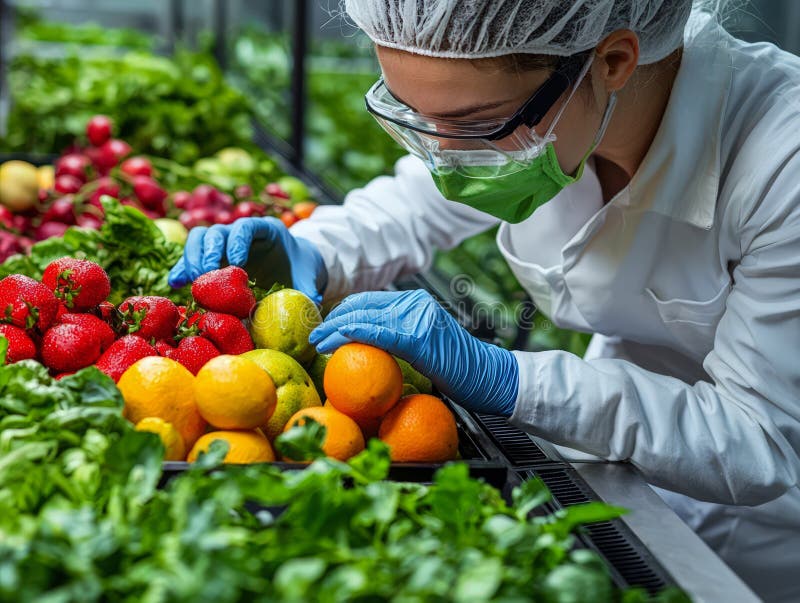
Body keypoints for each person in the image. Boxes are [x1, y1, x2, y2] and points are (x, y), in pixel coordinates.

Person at [169, 1, 800, 599]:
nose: (444, 157)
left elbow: (760, 436)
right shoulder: (544, 115)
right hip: (621, 462)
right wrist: (318, 250)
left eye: (473, 125)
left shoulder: (782, 162)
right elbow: (419, 198)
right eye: (416, 116)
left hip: (757, 543)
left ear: (611, 63)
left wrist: (506, 379)